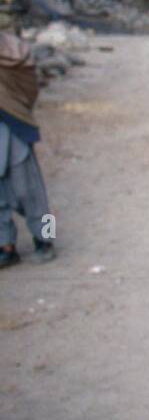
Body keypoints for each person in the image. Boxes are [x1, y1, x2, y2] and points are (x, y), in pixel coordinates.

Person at [0, 31, 55, 268]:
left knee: (30, 191)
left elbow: (26, 79)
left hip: (12, 123)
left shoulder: (12, 47)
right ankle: (5, 246)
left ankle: (46, 239)